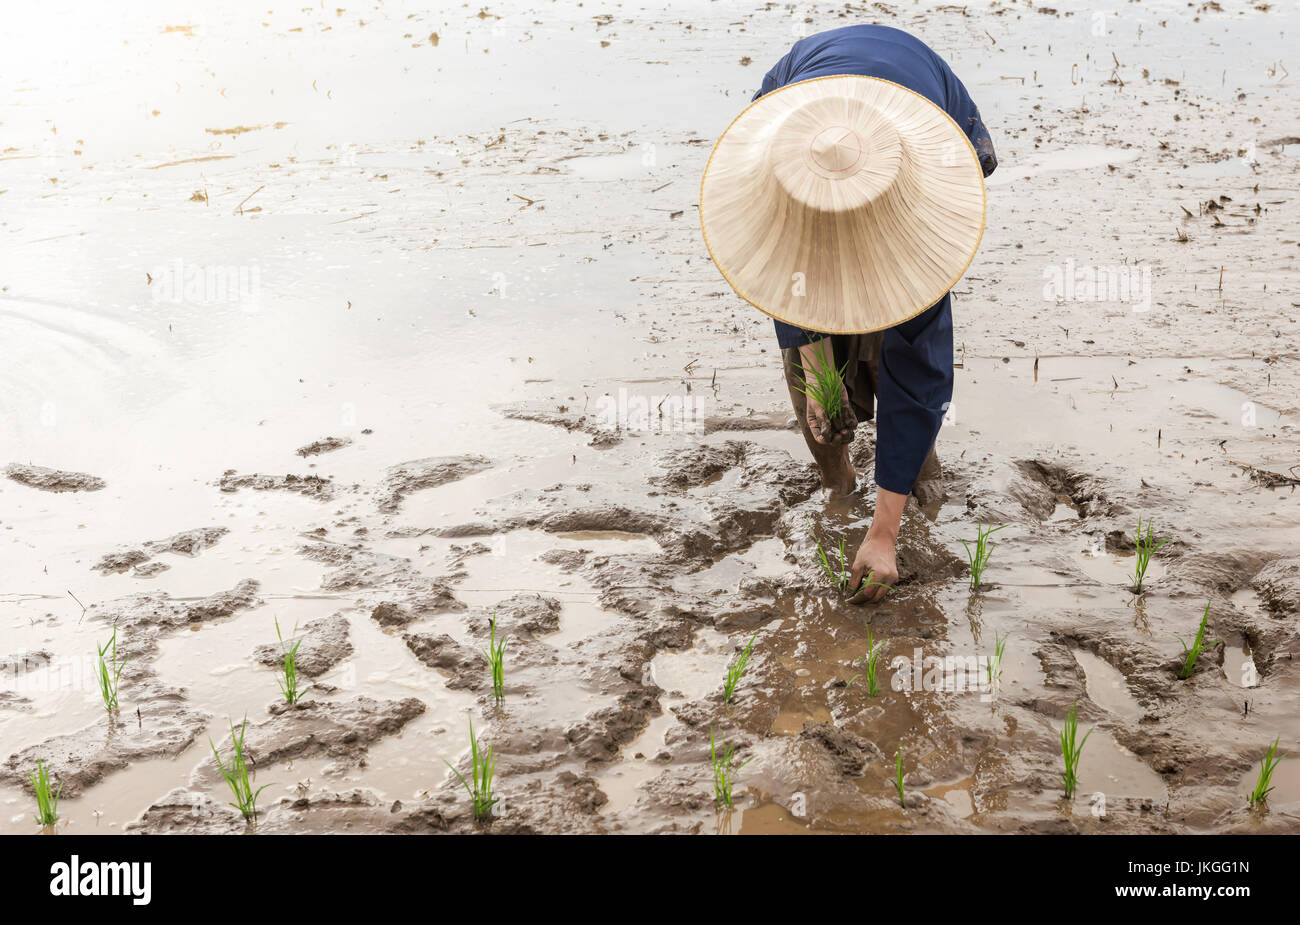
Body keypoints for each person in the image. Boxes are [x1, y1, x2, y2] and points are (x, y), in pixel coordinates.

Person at [701, 24, 997, 603]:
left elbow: (921, 377)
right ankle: (838, 485)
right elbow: (786, 281)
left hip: (928, 120)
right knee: (812, 353)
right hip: (803, 112)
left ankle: (913, 479)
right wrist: (817, 379)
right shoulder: (783, 168)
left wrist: (884, 537)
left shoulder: (922, 212)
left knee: (900, 344)